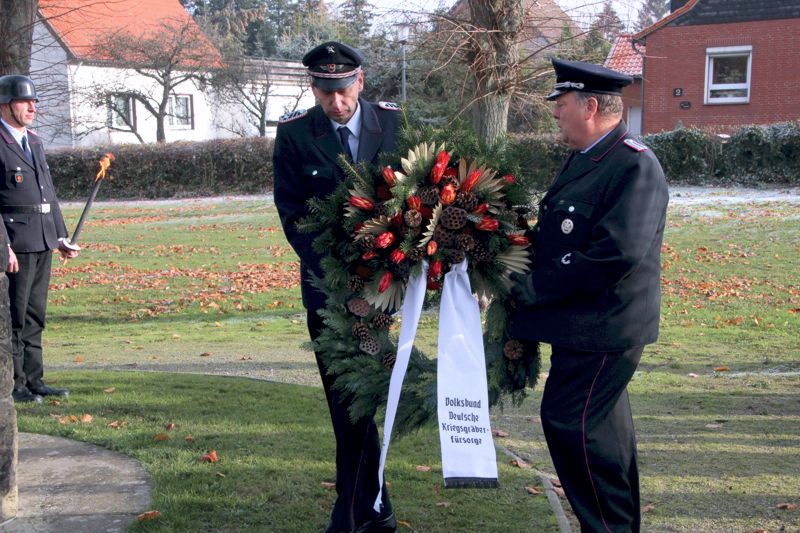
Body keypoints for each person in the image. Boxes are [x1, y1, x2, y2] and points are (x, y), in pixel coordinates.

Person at [509, 58, 668, 532]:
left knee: (573, 426)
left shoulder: (633, 164)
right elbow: (562, 235)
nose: (555, 112)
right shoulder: (589, 156)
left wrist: (533, 287)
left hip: (604, 326)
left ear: (590, 107)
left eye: (561, 103)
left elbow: (614, 254)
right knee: (604, 438)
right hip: (581, 325)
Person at [272, 42, 401, 533]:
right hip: (329, 293)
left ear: (360, 81)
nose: (337, 101)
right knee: (345, 400)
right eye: (326, 92)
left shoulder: (393, 125)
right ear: (313, 87)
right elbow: (293, 215)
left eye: (344, 89)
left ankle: (365, 508)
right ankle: (361, 509)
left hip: (383, 291)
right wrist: (339, 274)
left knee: (365, 396)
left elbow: (416, 198)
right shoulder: (295, 135)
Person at [0, 74, 79, 404]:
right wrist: (3, 246)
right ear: (5, 105)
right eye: (25, 102)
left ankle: (35, 379)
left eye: (34, 102)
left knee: (35, 315)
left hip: (42, 238)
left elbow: (48, 193)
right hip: (15, 243)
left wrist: (60, 235)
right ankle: (15, 383)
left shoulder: (33, 141)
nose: (32, 107)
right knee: (16, 317)